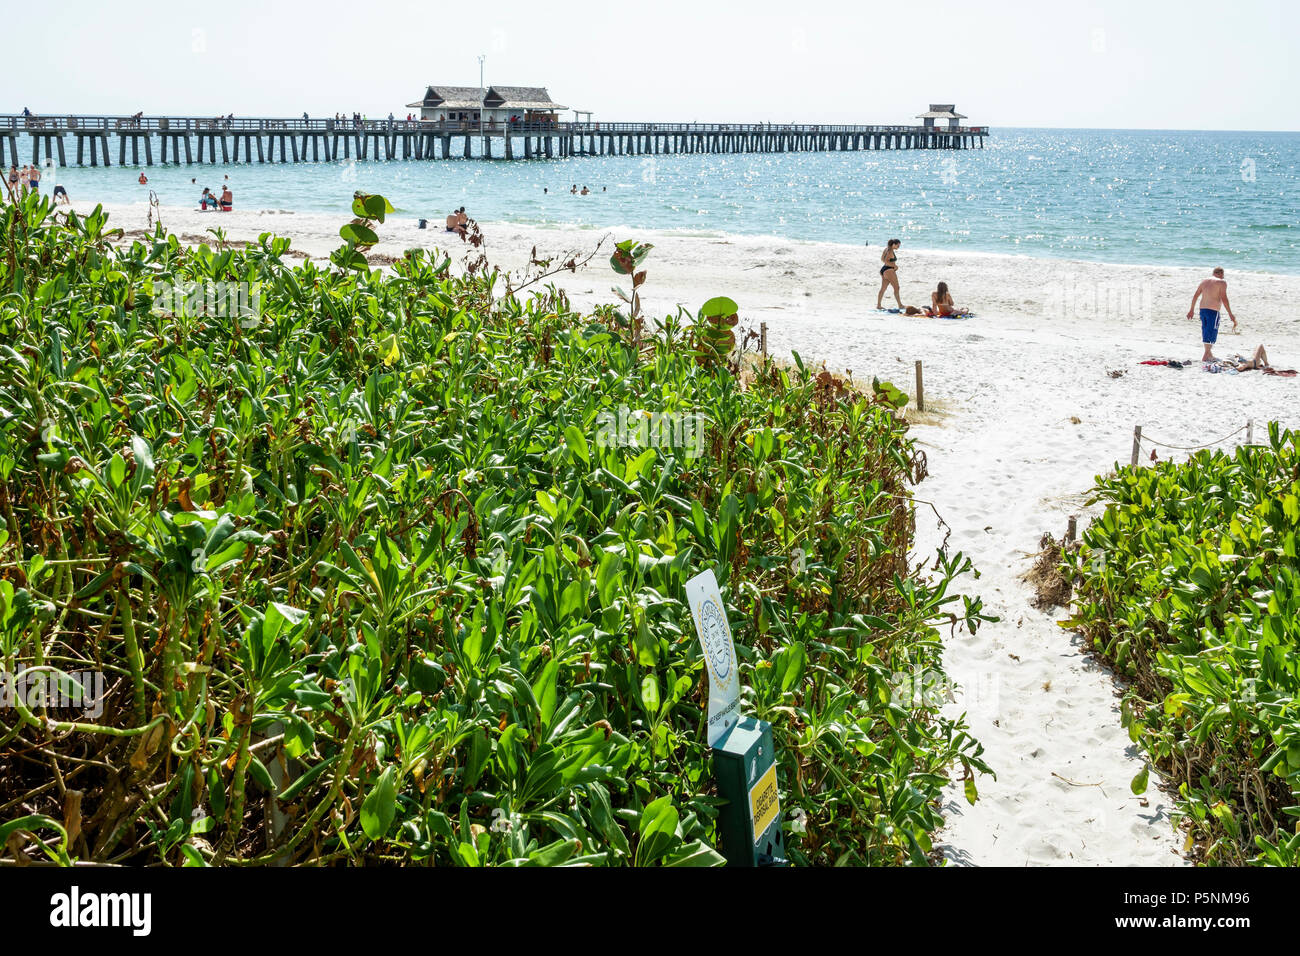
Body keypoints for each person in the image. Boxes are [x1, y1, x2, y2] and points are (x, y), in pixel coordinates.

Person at [1187, 267, 1238, 362]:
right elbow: (1224, 298)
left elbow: (1195, 295)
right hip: (1213, 310)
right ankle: (1206, 355)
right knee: (1212, 332)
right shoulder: (1221, 282)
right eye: (1223, 275)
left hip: (1202, 309)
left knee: (1206, 331)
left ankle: (1209, 354)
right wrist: (1230, 313)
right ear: (1221, 274)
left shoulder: (1204, 281)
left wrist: (1191, 310)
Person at [876, 238, 903, 310]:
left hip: (884, 269)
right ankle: (900, 305)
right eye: (898, 246)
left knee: (883, 288)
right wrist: (895, 266)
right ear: (894, 244)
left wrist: (892, 265)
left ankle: (878, 305)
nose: (898, 247)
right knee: (897, 287)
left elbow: (882, 259)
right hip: (889, 270)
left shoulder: (886, 249)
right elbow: (886, 261)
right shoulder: (890, 251)